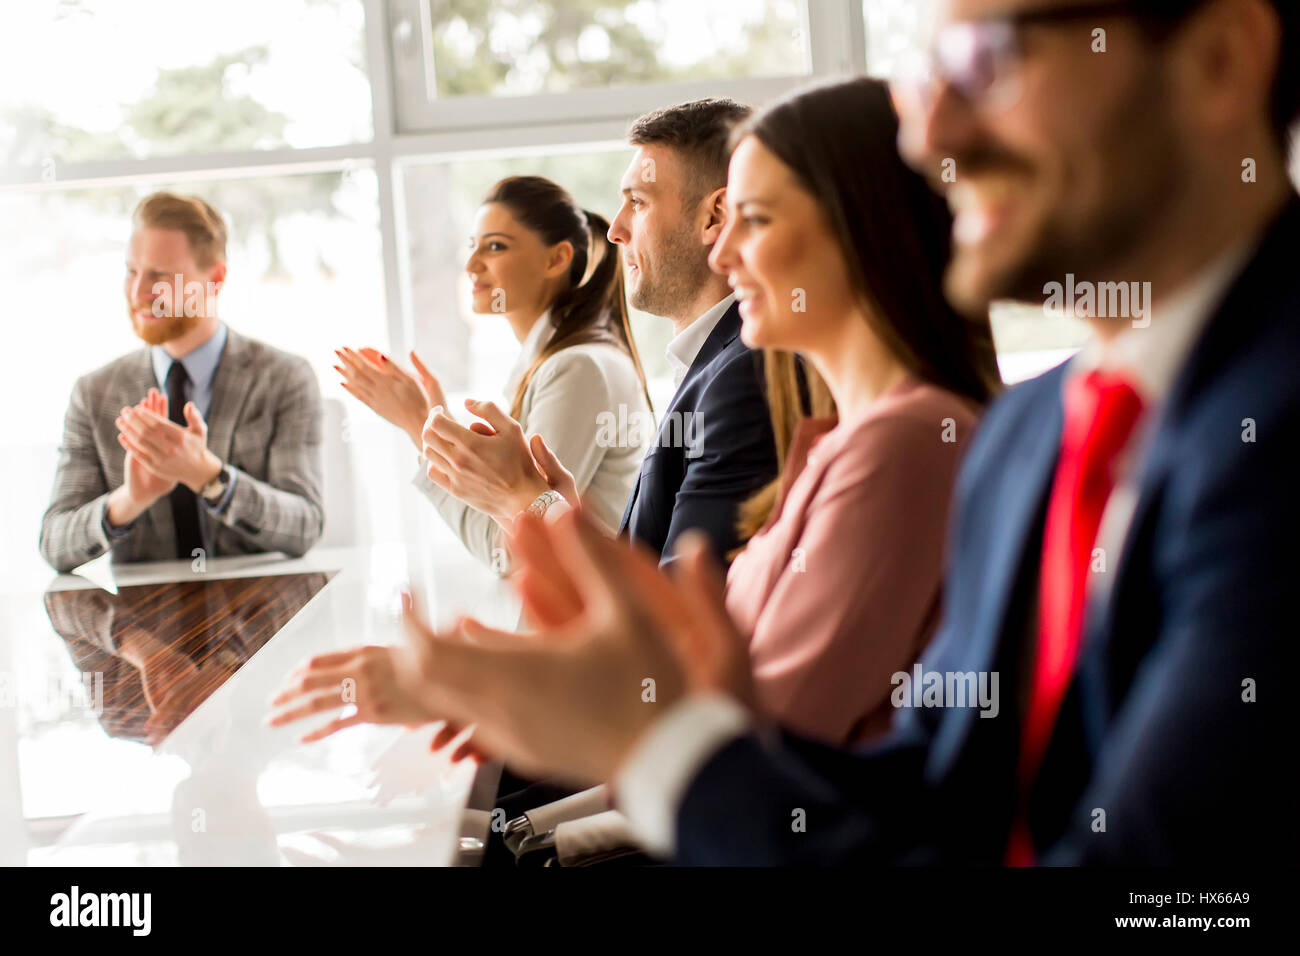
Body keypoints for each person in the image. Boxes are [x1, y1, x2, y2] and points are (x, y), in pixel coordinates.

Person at [339, 0, 1297, 866]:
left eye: (988, 60)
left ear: (1219, 60)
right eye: (932, 78)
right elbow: (930, 796)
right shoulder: (1026, 437)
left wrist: (654, 742)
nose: (930, 136)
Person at [709, 77, 1000, 746]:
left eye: (754, 219)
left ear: (859, 224)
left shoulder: (907, 444)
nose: (721, 256)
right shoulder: (848, 441)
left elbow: (764, 742)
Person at [419, 99, 779, 566]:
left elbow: (679, 608)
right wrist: (557, 507)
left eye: (638, 202)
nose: (615, 230)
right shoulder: (710, 363)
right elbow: (644, 566)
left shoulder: (742, 375)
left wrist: (526, 499)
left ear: (714, 217)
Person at [334, 175, 651, 570]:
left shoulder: (577, 369)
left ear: (556, 259)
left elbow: (508, 553)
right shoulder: (560, 362)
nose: (470, 264)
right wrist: (433, 425)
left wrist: (420, 424)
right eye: (472, 246)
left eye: (496, 246)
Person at [40, 191, 325, 573]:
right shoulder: (94, 394)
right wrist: (130, 500)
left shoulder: (284, 379)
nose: (139, 293)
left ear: (216, 279)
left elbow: (305, 526)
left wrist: (209, 477)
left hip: (260, 615)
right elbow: (54, 543)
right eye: (131, 271)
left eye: (159, 275)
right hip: (144, 625)